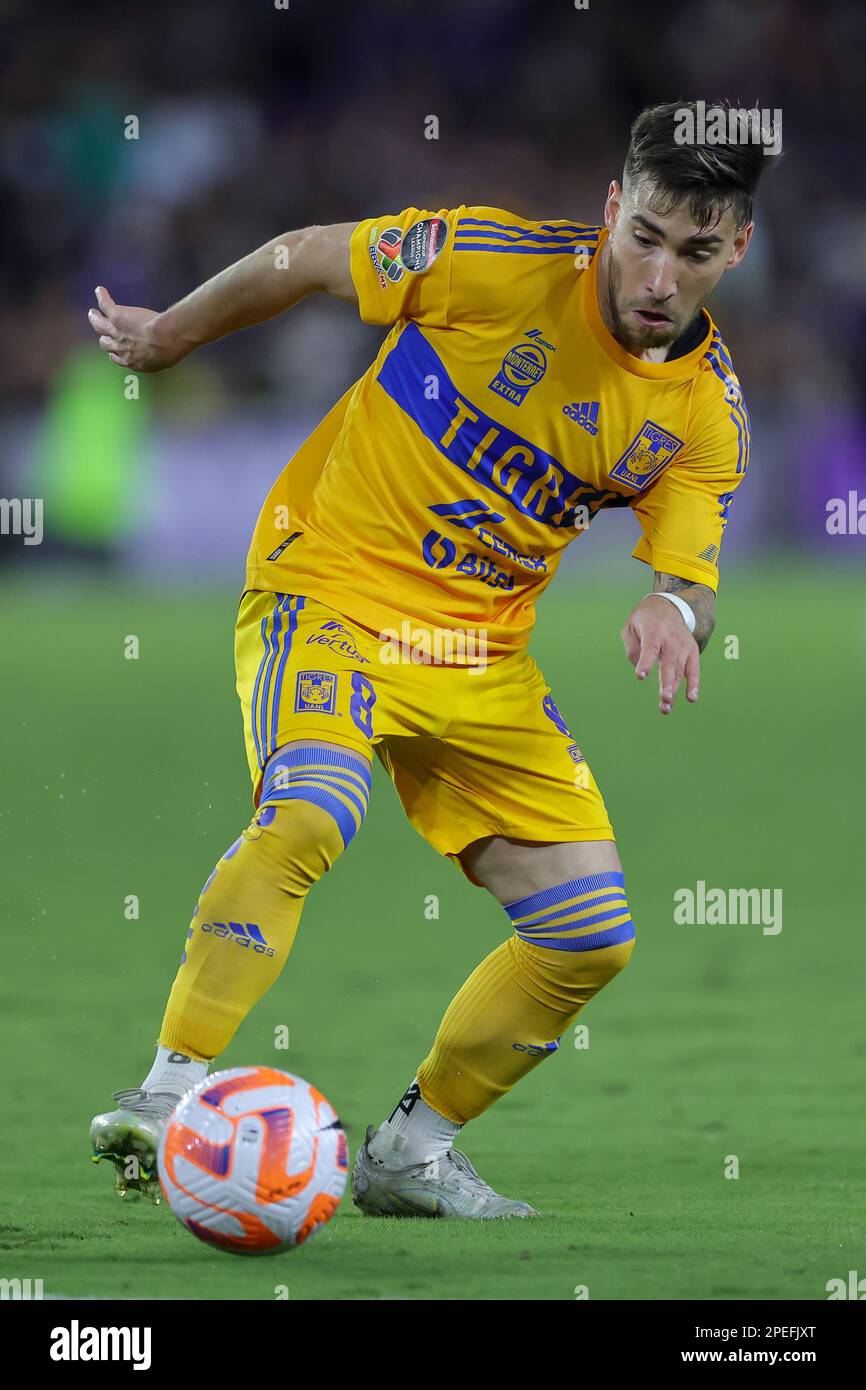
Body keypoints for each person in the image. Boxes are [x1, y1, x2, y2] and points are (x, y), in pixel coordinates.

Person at [90, 99, 765, 1219]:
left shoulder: (703, 413)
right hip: (332, 584)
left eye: (694, 251)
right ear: (611, 209)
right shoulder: (487, 258)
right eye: (643, 234)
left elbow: (688, 577)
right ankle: (168, 1095)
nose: (658, 274)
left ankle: (408, 1152)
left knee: (589, 933)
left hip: (476, 651)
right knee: (311, 812)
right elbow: (304, 258)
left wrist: (672, 613)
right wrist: (168, 339)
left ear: (734, 249)